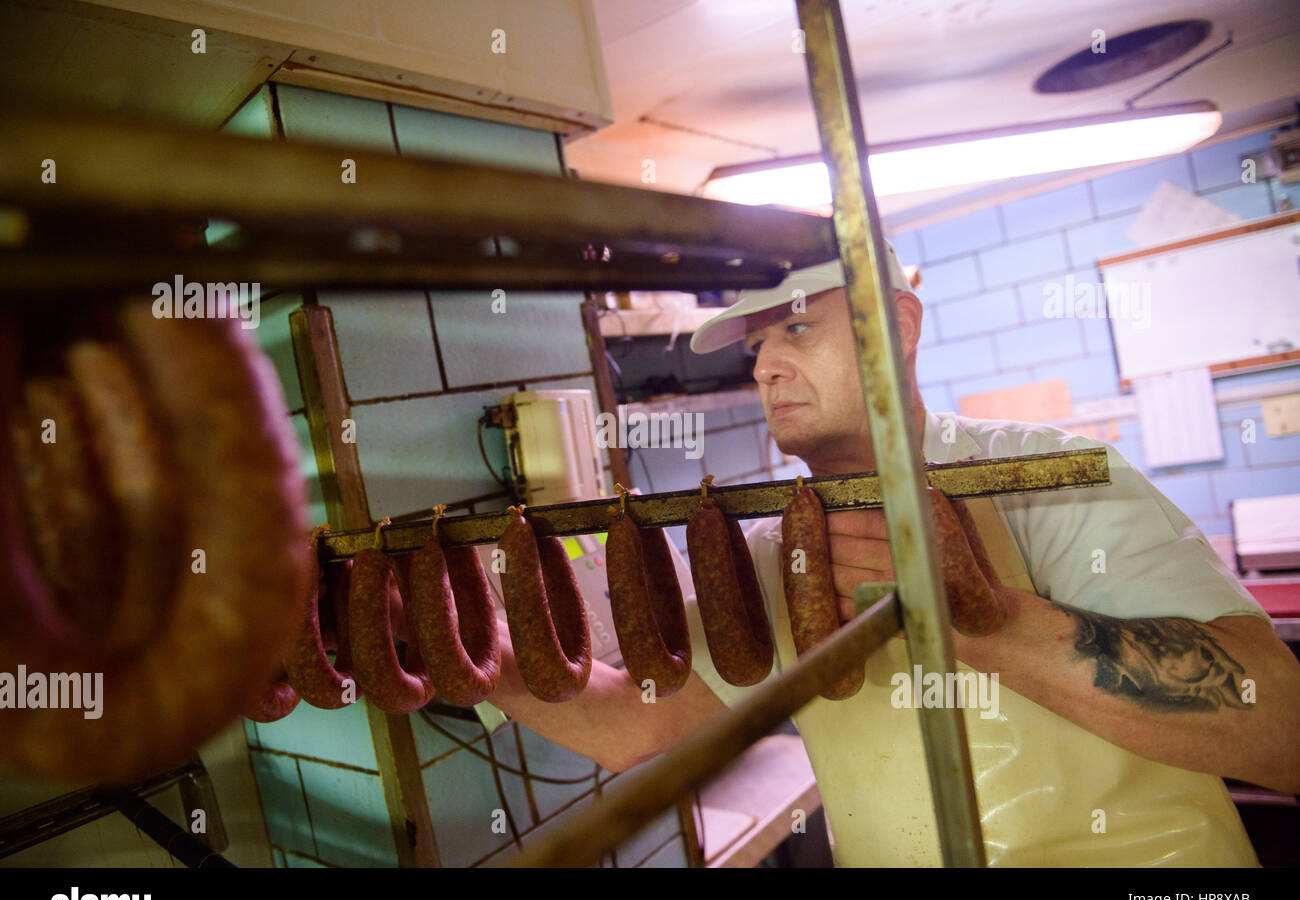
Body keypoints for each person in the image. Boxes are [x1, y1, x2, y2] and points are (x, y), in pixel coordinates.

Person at [486, 241, 1300, 866]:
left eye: (796, 326)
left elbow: (1281, 727)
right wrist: (476, 652)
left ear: (899, 327)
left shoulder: (1049, 481)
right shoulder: (777, 554)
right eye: (758, 345)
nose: (767, 366)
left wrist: (993, 625)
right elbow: (631, 721)